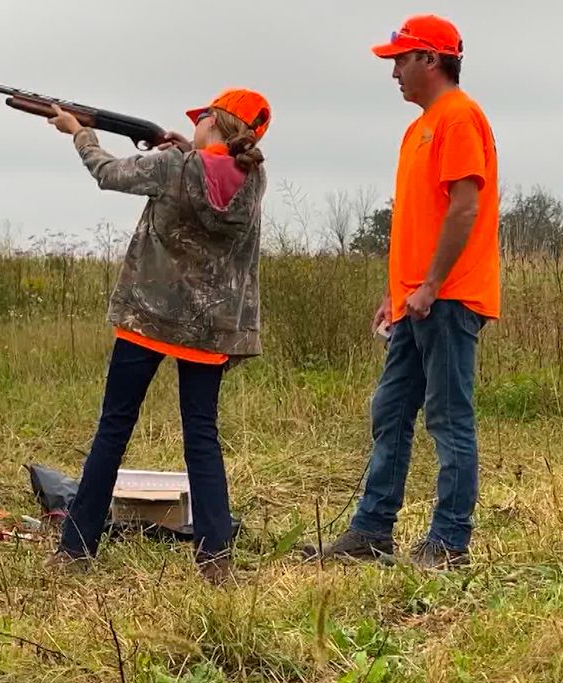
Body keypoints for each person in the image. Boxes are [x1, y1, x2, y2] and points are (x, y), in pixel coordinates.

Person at [41, 89, 272, 585]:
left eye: (202, 118)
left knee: (113, 430)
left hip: (148, 321)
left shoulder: (171, 166)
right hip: (207, 333)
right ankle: (215, 561)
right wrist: (179, 146)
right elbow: (213, 171)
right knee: (202, 440)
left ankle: (76, 549)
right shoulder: (254, 179)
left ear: (215, 122)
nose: (195, 124)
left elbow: (106, 172)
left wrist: (78, 132)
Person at [314, 14, 499, 570]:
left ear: (431, 60)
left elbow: (465, 206)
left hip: (447, 299)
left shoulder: (458, 118)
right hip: (416, 300)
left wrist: (433, 285)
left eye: (400, 59)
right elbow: (424, 219)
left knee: (448, 417)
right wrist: (397, 291)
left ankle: (448, 543)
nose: (393, 71)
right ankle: (372, 531)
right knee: (390, 410)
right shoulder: (422, 126)